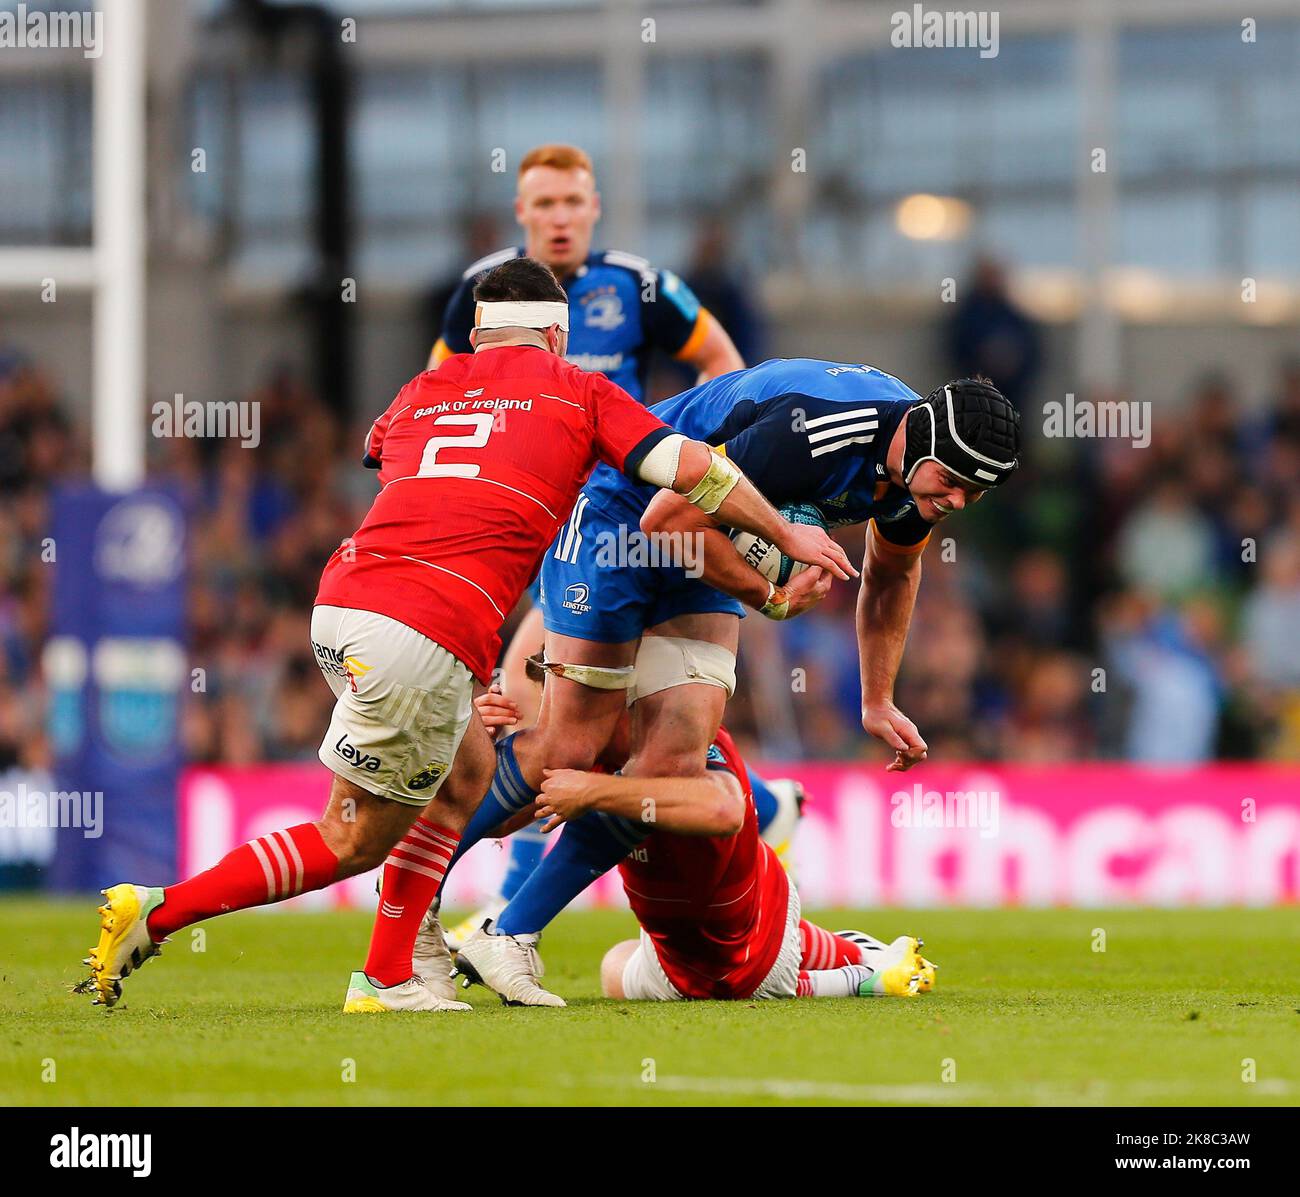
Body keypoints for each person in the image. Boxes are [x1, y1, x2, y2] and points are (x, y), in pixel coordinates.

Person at [82, 258, 852, 1011]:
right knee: (352, 836)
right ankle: (175, 915)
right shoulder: (582, 389)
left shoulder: (425, 386)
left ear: (479, 337)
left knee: (468, 773)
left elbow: (383, 452)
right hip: (425, 623)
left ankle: (399, 964)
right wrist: (781, 533)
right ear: (557, 339)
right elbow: (694, 473)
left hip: (344, 600)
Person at [451, 364, 1021, 1005]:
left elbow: (890, 576)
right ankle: (412, 893)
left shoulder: (914, 482)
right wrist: (771, 592)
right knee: (565, 750)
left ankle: (509, 936)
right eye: (951, 483)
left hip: (706, 547)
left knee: (670, 767)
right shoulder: (814, 431)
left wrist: (877, 697)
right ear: (920, 440)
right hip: (620, 522)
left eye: (973, 493)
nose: (956, 503)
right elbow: (664, 519)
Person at [462, 675, 935, 1005]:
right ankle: (856, 949)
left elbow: (720, 809)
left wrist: (595, 791)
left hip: (735, 961)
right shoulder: (588, 749)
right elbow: (503, 819)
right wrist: (473, 745)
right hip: (700, 937)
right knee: (618, 963)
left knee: (719, 978)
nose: (559, 712)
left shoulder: (686, 749)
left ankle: (861, 977)